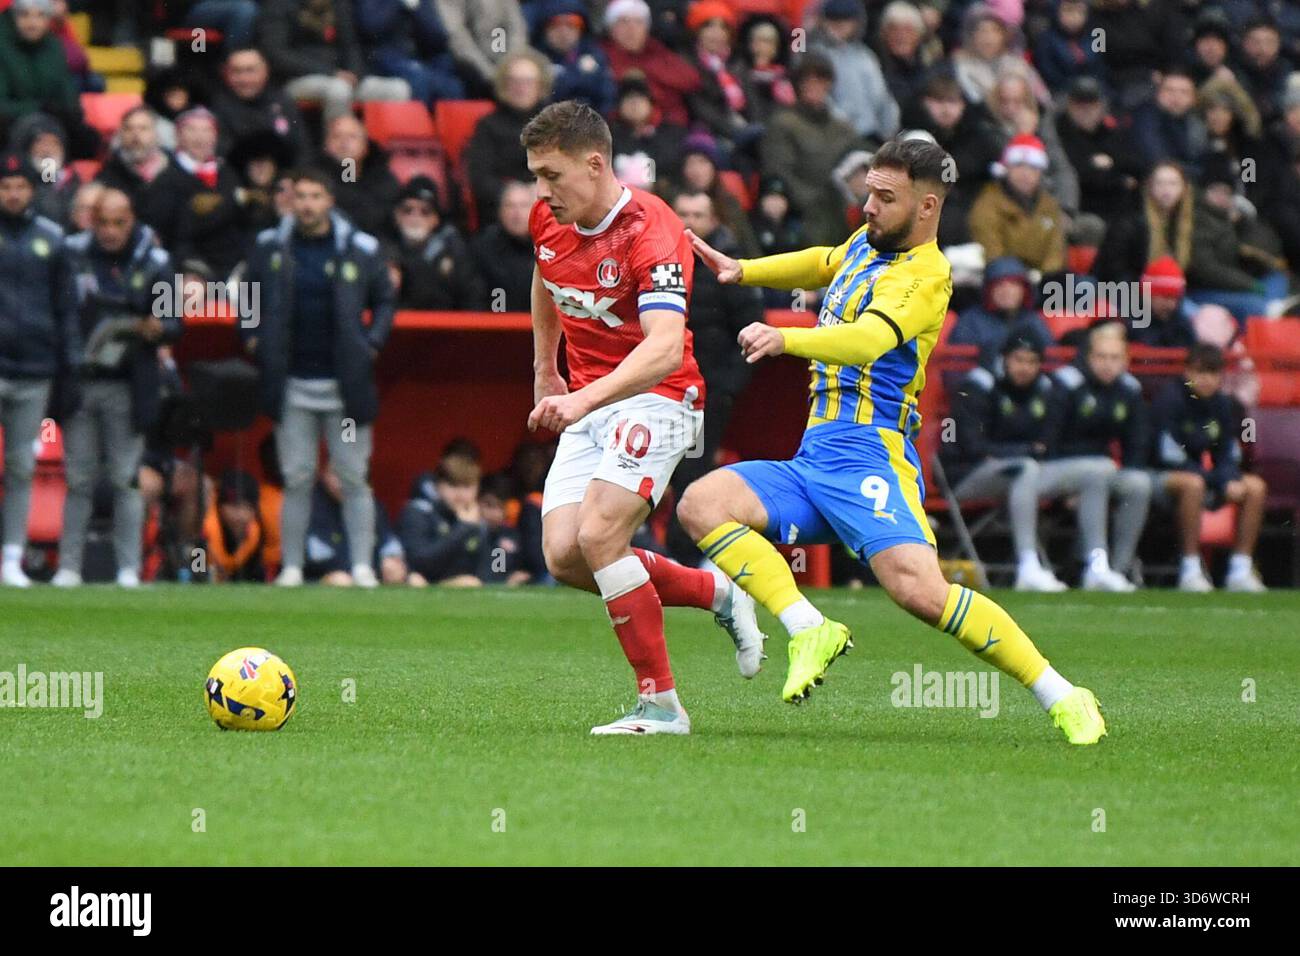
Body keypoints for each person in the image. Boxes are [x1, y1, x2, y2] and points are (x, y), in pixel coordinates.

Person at [680, 137, 1108, 745]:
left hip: (869, 456)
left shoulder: (926, 275)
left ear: (927, 206)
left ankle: (1063, 695)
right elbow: (827, 261)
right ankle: (808, 627)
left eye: (886, 197)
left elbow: (867, 341)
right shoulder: (867, 241)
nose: (869, 208)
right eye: (868, 194)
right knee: (702, 503)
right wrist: (741, 268)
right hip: (817, 454)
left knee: (920, 592)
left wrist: (786, 338)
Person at [523, 100, 767, 735]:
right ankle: (717, 592)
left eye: (552, 175)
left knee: (601, 535)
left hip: (660, 396)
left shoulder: (651, 228)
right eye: (536, 176)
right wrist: (547, 371)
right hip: (591, 399)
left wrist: (578, 398)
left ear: (595, 164)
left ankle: (661, 705)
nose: (542, 191)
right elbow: (545, 280)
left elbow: (661, 348)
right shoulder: (547, 219)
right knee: (565, 558)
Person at [240, 168, 396, 589]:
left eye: (314, 196)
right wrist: (253, 340)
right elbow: (246, 292)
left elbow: (385, 297)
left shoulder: (358, 248)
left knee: (352, 475)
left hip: (344, 388)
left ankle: (363, 566)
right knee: (296, 476)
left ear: (329, 200)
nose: (306, 204)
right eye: (300, 195)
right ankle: (291, 566)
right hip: (292, 384)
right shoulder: (271, 245)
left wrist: (373, 343)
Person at [55, 189, 183, 587]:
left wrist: (157, 327)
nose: (110, 231)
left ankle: (129, 568)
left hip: (128, 384)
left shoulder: (155, 260)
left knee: (127, 478)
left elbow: (174, 320)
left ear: (132, 221)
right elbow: (56, 310)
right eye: (102, 222)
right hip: (80, 382)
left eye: (118, 222)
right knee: (78, 478)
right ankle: (69, 568)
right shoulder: (71, 254)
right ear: (91, 220)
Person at [944, 334, 1120, 592]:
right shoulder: (978, 386)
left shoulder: (1045, 390)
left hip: (1024, 471)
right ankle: (1028, 565)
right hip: (970, 475)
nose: (1024, 368)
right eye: (1018, 360)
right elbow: (973, 447)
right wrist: (1025, 451)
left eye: (1032, 361)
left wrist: (1025, 453)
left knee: (1098, 470)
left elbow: (1049, 443)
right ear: (1004, 359)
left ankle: (1097, 567)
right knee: (1026, 468)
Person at [0, 151, 77, 587]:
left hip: (35, 367)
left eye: (20, 187)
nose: (13, 194)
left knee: (21, 465)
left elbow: (66, 307)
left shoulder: (52, 238)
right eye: (6, 187)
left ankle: (12, 556)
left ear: (32, 190)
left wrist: (69, 362)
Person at [1150, 344, 1268, 592]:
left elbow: (1229, 451)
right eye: (1200, 373)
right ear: (1187, 373)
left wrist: (1226, 479)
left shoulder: (1225, 405)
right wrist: (1217, 480)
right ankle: (1190, 568)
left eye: (1213, 374)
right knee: (1193, 484)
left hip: (1205, 476)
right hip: (1160, 475)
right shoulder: (1168, 401)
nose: (1206, 380)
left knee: (1255, 487)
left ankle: (1240, 568)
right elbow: (1168, 456)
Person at [1048, 323, 1151, 590]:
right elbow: (1049, 442)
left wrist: (1130, 469)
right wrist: (1069, 488)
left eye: (1115, 358)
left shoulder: (1129, 390)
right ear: (1089, 357)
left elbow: (1137, 445)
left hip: (1103, 473)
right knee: (1100, 470)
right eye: (1101, 357)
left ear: (1126, 361)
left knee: (1139, 483)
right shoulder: (1067, 384)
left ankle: (1118, 569)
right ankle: (1096, 565)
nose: (1108, 364)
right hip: (1061, 470)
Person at [258, 0, 410, 125]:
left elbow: (351, 45)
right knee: (339, 89)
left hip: (342, 77)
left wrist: (354, 73)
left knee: (397, 89)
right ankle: (340, 155)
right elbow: (276, 55)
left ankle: (381, 154)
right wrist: (331, 73)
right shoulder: (278, 5)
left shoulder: (338, 4)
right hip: (294, 80)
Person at [967, 134, 1067, 276]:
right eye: (1019, 165)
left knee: (1081, 285)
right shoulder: (988, 203)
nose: (1025, 174)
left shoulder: (1049, 206)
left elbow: (1055, 252)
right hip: (1003, 280)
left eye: (1033, 167)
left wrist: (1044, 275)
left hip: (1043, 279)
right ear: (1007, 168)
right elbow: (992, 253)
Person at [388, 175, 480, 310]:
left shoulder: (456, 254)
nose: (415, 217)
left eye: (425, 211)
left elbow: (472, 298)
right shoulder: (381, 250)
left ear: (436, 219)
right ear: (397, 215)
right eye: (408, 210)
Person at [950, 256, 1053, 360]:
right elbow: (955, 368)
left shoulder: (1033, 320)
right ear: (988, 290)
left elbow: (1053, 361)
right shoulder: (970, 322)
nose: (1006, 291)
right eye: (999, 285)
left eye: (1013, 284)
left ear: (1025, 290)